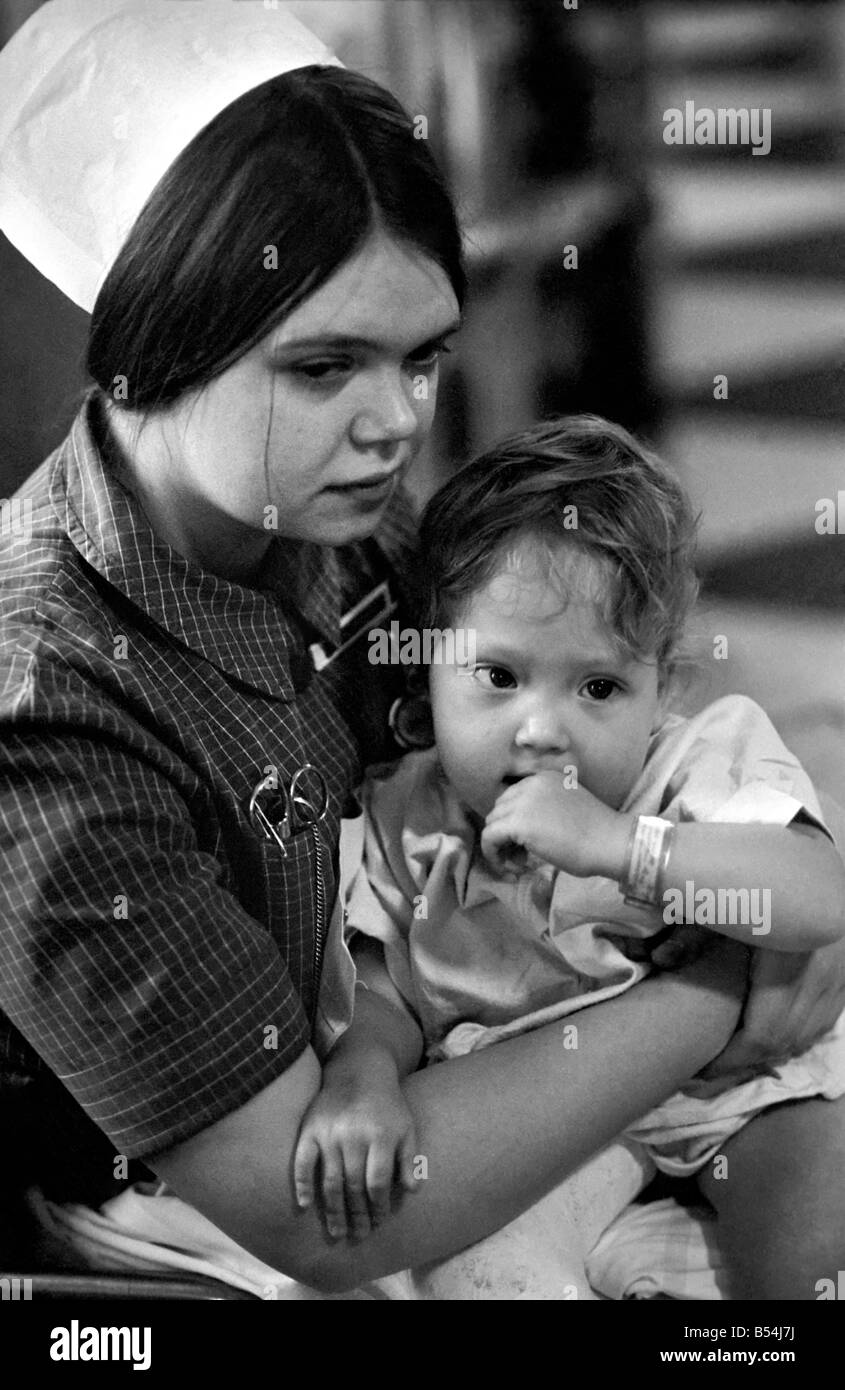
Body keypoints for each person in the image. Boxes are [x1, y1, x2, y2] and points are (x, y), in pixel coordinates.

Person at [0, 0, 841, 1300]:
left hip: (503, 1055)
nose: (396, 422)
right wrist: (722, 972)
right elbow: (325, 1209)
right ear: (157, 344)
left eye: (423, 357)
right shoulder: (47, 702)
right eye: (326, 365)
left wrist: (774, 890)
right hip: (210, 1229)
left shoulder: (323, 521)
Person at [297, 415, 845, 1299]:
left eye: (597, 688)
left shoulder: (692, 764)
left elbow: (817, 896)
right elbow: (385, 984)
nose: (542, 728)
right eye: (498, 677)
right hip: (538, 1129)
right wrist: (363, 1077)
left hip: (740, 1095)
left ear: (661, 687)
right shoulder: (408, 814)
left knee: (818, 1254)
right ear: (428, 665)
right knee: (477, 1278)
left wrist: (623, 844)